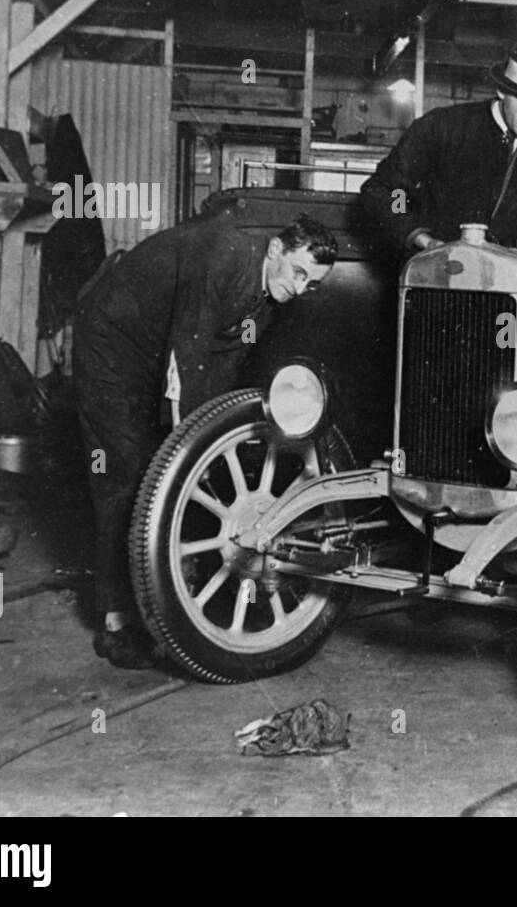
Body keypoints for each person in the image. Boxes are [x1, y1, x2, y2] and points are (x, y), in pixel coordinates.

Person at [73, 214, 339, 668]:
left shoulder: (267, 297)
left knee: (171, 473)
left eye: (311, 284)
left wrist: (218, 457)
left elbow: (224, 369)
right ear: (275, 249)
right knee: (131, 475)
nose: (299, 288)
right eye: (298, 272)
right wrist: (191, 458)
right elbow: (187, 357)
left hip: (153, 353)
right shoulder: (225, 257)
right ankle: (118, 621)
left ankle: (167, 595)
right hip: (111, 348)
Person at [359, 28, 517, 253]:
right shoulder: (441, 128)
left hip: (508, 280)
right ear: (501, 90)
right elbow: (389, 191)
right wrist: (419, 236)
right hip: (436, 275)